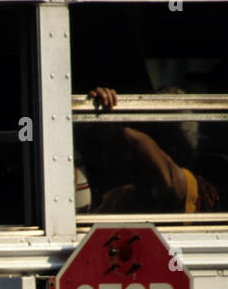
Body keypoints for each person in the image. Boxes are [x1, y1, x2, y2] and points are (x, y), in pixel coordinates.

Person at [80, 87, 219, 215]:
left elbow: (141, 144)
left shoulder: (195, 189)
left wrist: (106, 114)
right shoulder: (123, 196)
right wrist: (96, 106)